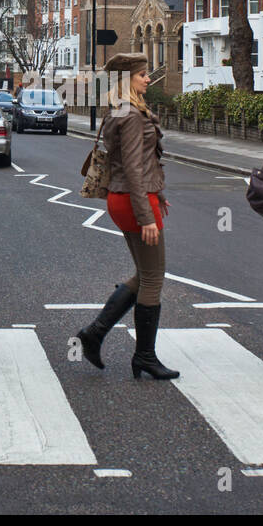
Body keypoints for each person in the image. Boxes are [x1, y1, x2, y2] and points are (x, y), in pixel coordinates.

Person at [76, 52, 178, 380]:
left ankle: (94, 334)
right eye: (142, 75)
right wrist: (146, 214)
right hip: (134, 201)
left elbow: (134, 163)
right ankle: (144, 356)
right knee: (153, 277)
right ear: (125, 81)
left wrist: (157, 194)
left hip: (125, 199)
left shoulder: (118, 110)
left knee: (144, 273)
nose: (148, 79)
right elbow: (133, 168)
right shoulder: (132, 115)